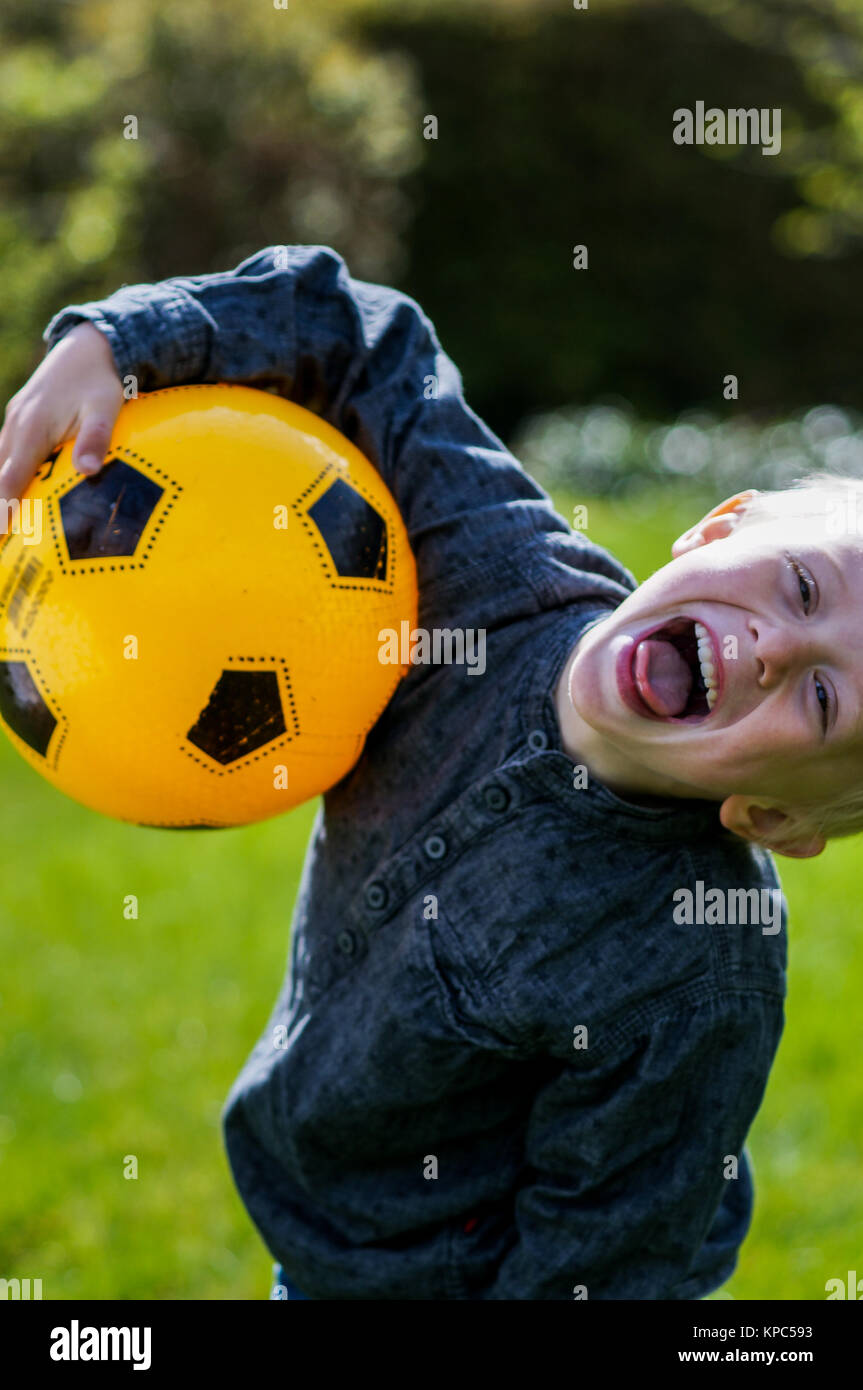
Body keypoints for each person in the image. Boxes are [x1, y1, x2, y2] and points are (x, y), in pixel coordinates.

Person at [2, 243, 854, 1299]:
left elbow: (608, 1255)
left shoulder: (691, 971)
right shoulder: (486, 562)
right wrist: (118, 344)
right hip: (323, 1209)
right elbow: (355, 332)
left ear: (771, 815)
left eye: (821, 699)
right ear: (716, 525)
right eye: (804, 587)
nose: (777, 646)